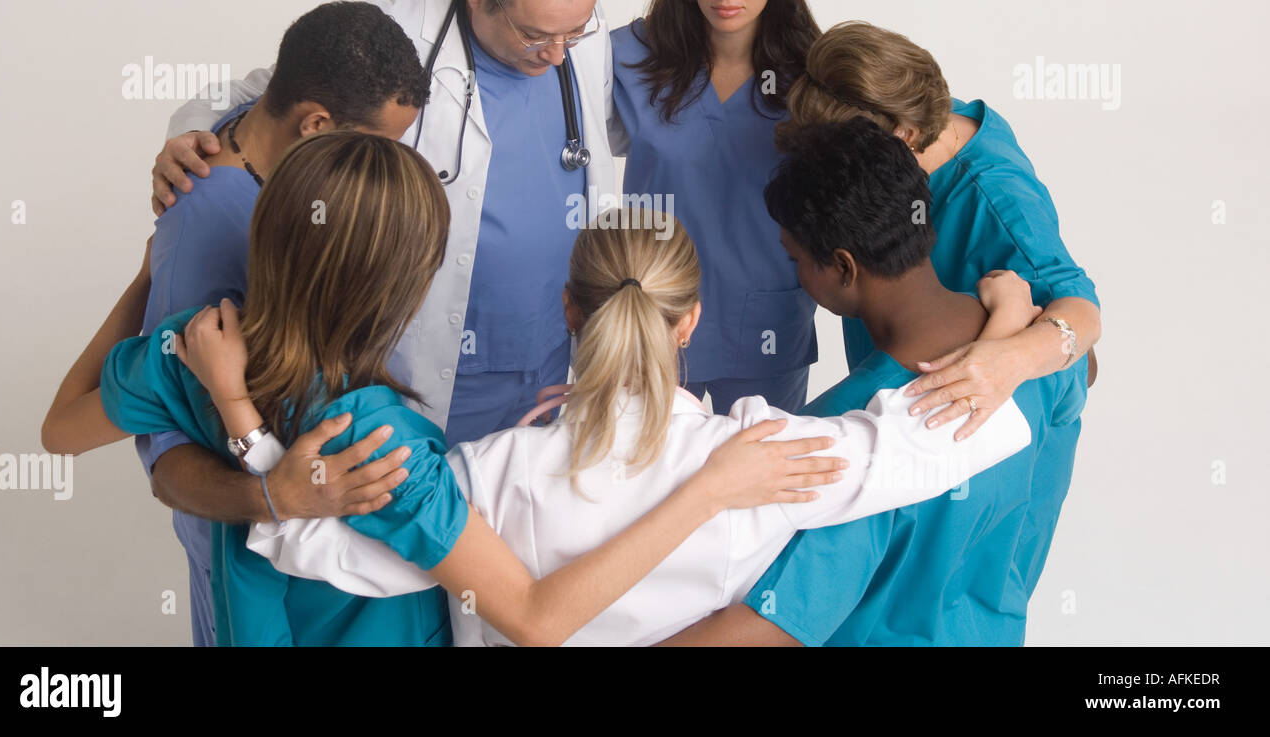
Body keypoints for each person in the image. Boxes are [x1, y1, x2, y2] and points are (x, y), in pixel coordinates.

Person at [42, 132, 841, 646]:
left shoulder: (193, 346)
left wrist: (148, 281)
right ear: (409, 287)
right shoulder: (388, 443)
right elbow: (532, 615)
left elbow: (61, 431)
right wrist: (713, 488)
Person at [217, 207, 1042, 646]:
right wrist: (1005, 325)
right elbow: (932, 438)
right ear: (691, 322)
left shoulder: (484, 471)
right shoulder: (762, 459)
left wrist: (244, 421)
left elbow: (313, 546)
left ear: (570, 309)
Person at [150, 0, 625, 445]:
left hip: (548, 362)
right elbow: (267, 97)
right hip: (418, 364)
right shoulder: (388, 33)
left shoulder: (570, 31)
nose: (559, 53)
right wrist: (190, 135)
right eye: (536, 35)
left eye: (577, 29)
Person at [662, 119, 1086, 646]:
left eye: (796, 259)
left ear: (842, 267)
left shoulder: (840, 433)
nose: (795, 274)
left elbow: (775, 626)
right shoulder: (1041, 354)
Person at [131, 0, 428, 647]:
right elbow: (169, 452)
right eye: (380, 149)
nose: (389, 173)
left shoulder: (289, 171)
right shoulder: (205, 222)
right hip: (265, 555)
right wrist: (278, 497)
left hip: (338, 541)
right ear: (317, 124)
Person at [778, 21, 1101, 595]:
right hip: (905, 407)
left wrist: (1007, 354)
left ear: (903, 136)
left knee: (949, 592)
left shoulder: (993, 201)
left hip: (987, 445)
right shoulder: (926, 109)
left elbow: (1081, 328)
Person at [610, 0, 821, 413]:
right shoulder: (628, 58)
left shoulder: (815, 76)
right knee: (639, 487)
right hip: (650, 320)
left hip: (765, 327)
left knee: (762, 488)